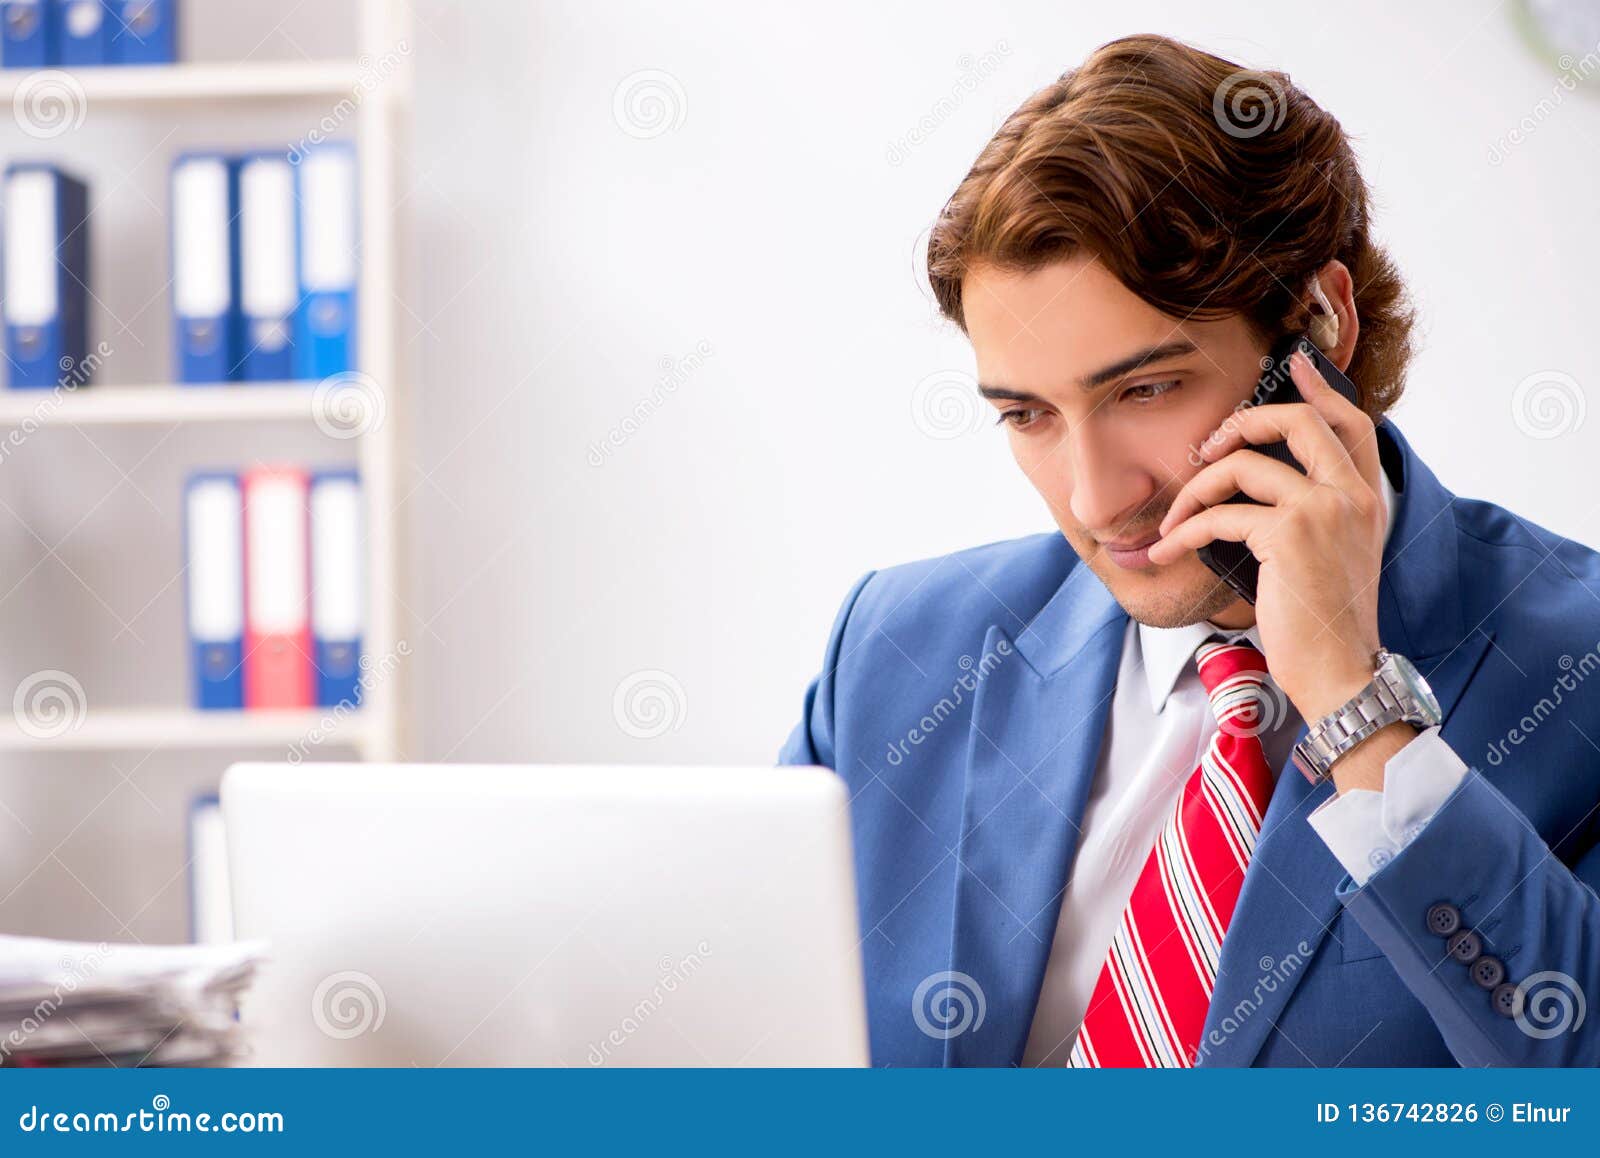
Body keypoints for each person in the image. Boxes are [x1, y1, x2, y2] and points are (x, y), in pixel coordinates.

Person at [781, 33, 1600, 1067]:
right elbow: (744, 1038)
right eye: (1027, 415)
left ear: (1320, 322)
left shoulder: (1577, 667)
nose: (1094, 497)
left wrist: (1353, 698)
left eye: (1145, 390)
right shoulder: (896, 653)